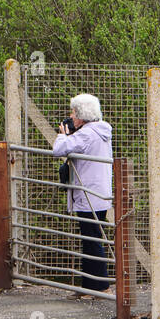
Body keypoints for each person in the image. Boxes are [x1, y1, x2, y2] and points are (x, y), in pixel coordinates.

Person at [50, 93, 113, 296]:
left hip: (88, 195)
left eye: (74, 112)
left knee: (91, 240)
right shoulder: (100, 131)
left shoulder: (86, 134)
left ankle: (100, 285)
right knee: (91, 238)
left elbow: (59, 149)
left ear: (82, 114)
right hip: (98, 194)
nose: (71, 116)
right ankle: (90, 286)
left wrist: (63, 135)